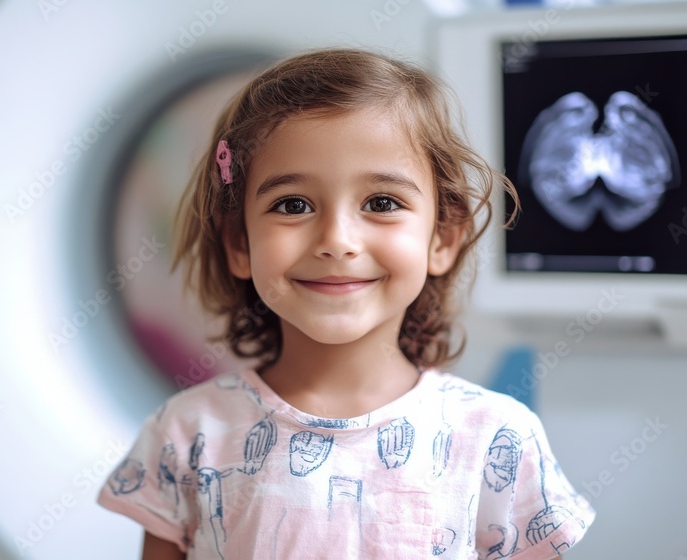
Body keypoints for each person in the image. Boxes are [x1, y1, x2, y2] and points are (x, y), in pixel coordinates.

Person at [97, 46, 595, 560]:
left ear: (442, 239)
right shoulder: (186, 432)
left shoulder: (498, 439)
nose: (337, 239)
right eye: (293, 205)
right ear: (239, 244)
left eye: (381, 203)